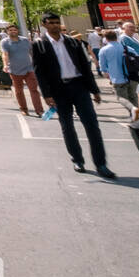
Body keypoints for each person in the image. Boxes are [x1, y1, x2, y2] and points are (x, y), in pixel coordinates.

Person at [32, 13, 115, 179]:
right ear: (44, 25)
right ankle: (77, 159)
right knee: (67, 126)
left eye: (57, 22)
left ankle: (101, 164)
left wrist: (94, 90)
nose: (55, 25)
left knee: (92, 125)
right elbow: (39, 72)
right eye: (51, 23)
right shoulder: (39, 45)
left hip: (79, 86)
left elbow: (84, 67)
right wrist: (46, 94)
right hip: (58, 90)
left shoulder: (72, 42)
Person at [0, 24, 43, 116]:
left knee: (34, 89)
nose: (13, 31)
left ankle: (39, 110)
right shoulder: (5, 42)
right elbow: (5, 54)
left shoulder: (25, 40)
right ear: (7, 32)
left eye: (14, 30)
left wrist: (36, 63)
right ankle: (24, 109)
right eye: (10, 30)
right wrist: (5, 65)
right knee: (19, 91)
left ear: (17, 31)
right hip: (15, 70)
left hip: (28, 69)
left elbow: (31, 52)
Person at [96, 30, 131, 107]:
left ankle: (134, 116)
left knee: (124, 101)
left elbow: (103, 67)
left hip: (117, 79)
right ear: (116, 37)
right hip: (131, 77)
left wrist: (107, 75)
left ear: (106, 39)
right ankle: (137, 116)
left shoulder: (103, 50)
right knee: (133, 100)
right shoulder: (126, 47)